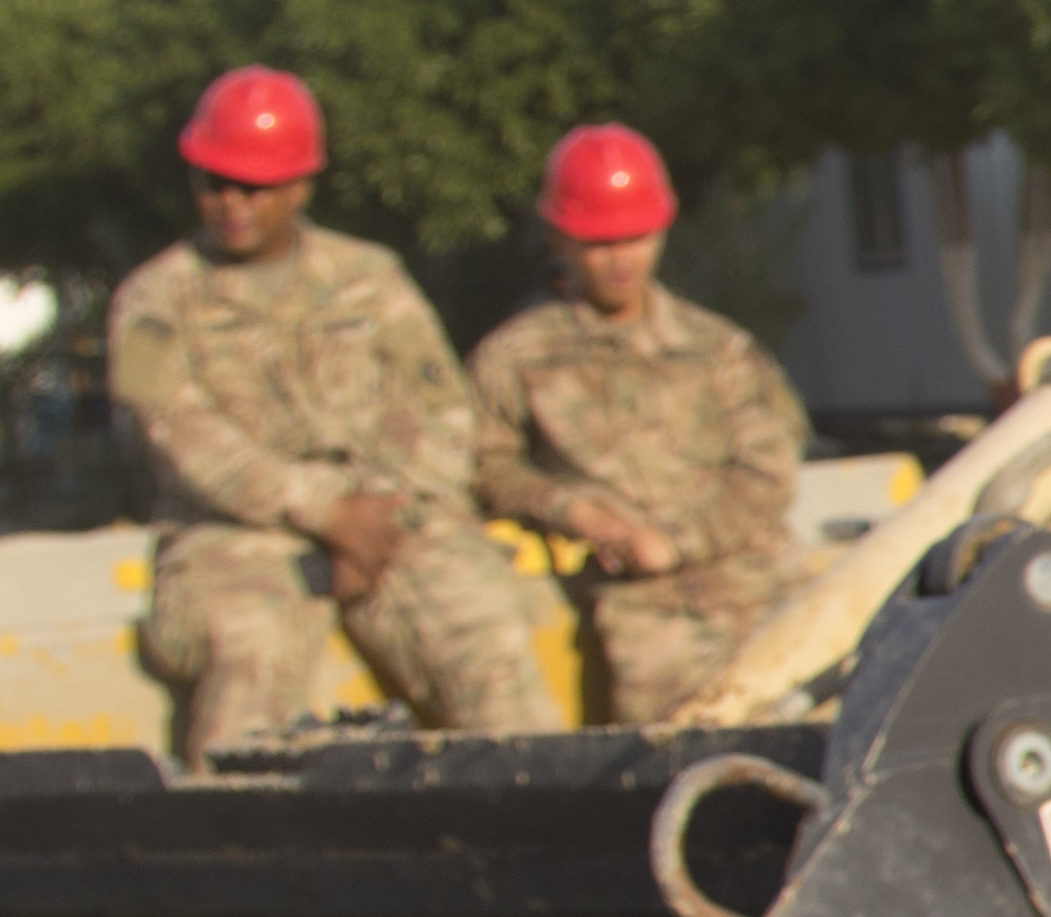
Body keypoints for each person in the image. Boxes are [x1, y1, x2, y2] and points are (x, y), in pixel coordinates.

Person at [107, 66, 560, 760]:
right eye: (211, 183)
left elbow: (440, 412)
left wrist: (375, 518)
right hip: (230, 541)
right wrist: (322, 510)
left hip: (391, 521)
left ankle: (545, 833)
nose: (230, 202)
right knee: (253, 652)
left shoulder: (372, 278)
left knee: (485, 634)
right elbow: (170, 430)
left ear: (300, 186)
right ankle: (226, 851)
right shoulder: (149, 303)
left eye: (253, 186)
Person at [468, 125, 814, 726]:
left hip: (761, 587)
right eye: (598, 243)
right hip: (648, 619)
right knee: (684, 760)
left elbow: (767, 471)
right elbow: (481, 461)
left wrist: (673, 543)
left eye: (635, 238)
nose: (620, 259)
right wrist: (570, 509)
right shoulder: (519, 357)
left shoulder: (718, 350)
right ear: (561, 240)